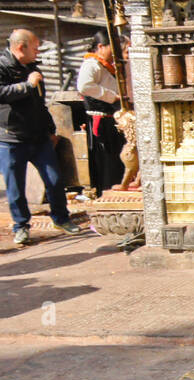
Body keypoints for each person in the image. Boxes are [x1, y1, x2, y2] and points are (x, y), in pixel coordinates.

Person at [0, 28, 81, 246]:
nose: (38, 53)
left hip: (38, 138)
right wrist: (27, 86)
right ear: (21, 47)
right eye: (35, 49)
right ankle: (21, 226)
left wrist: (50, 130)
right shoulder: (2, 67)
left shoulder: (33, 69)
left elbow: (40, 103)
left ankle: (61, 218)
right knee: (15, 188)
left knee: (54, 180)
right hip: (10, 139)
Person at [77, 29, 124, 194]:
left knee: (115, 158)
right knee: (106, 160)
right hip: (100, 118)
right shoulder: (91, 64)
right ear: (100, 47)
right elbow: (84, 86)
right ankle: (106, 191)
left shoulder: (103, 65)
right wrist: (111, 96)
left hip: (110, 118)